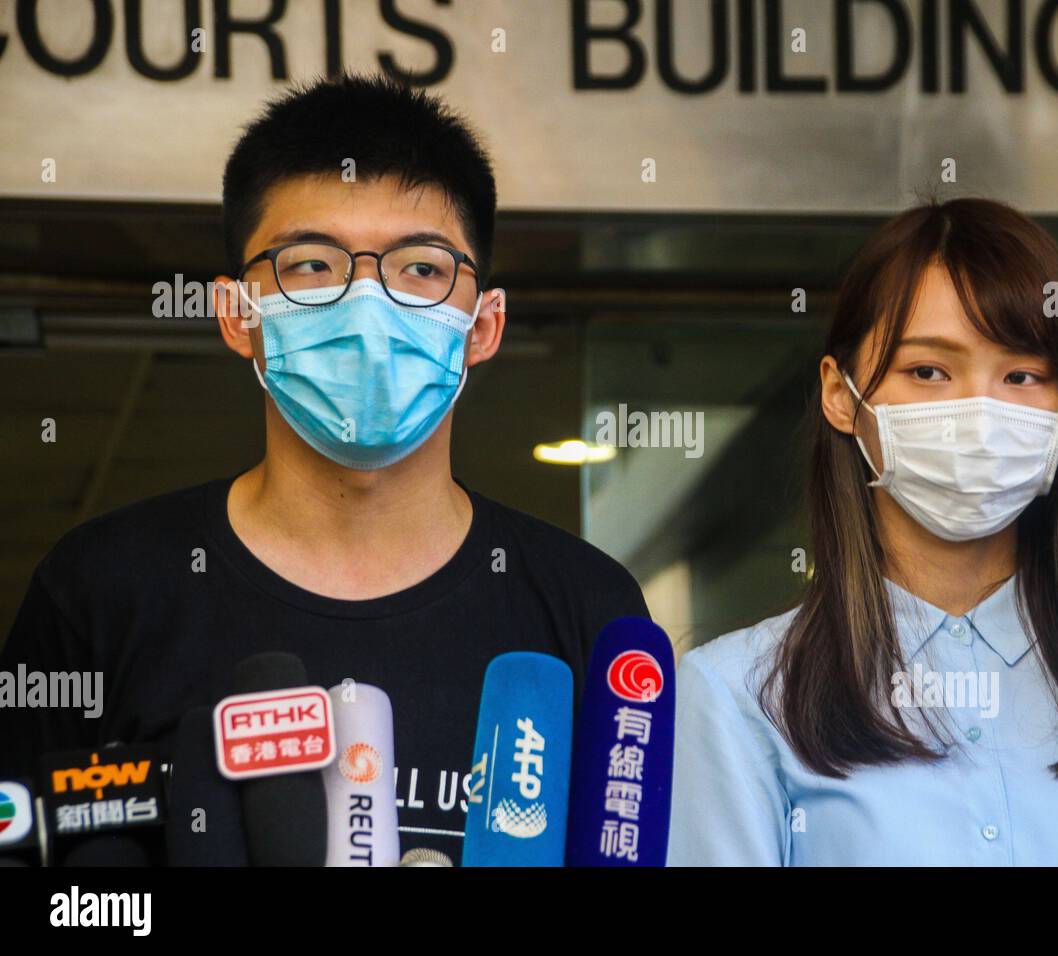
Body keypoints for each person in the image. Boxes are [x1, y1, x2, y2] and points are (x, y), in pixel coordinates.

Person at [0, 74, 647, 863]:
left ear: (485, 325)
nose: (366, 307)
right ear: (236, 313)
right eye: (311, 266)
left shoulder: (589, 609)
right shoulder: (100, 592)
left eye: (421, 268)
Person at [666, 198, 1058, 866]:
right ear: (842, 395)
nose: (981, 412)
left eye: (1023, 375)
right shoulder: (740, 695)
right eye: (928, 371)